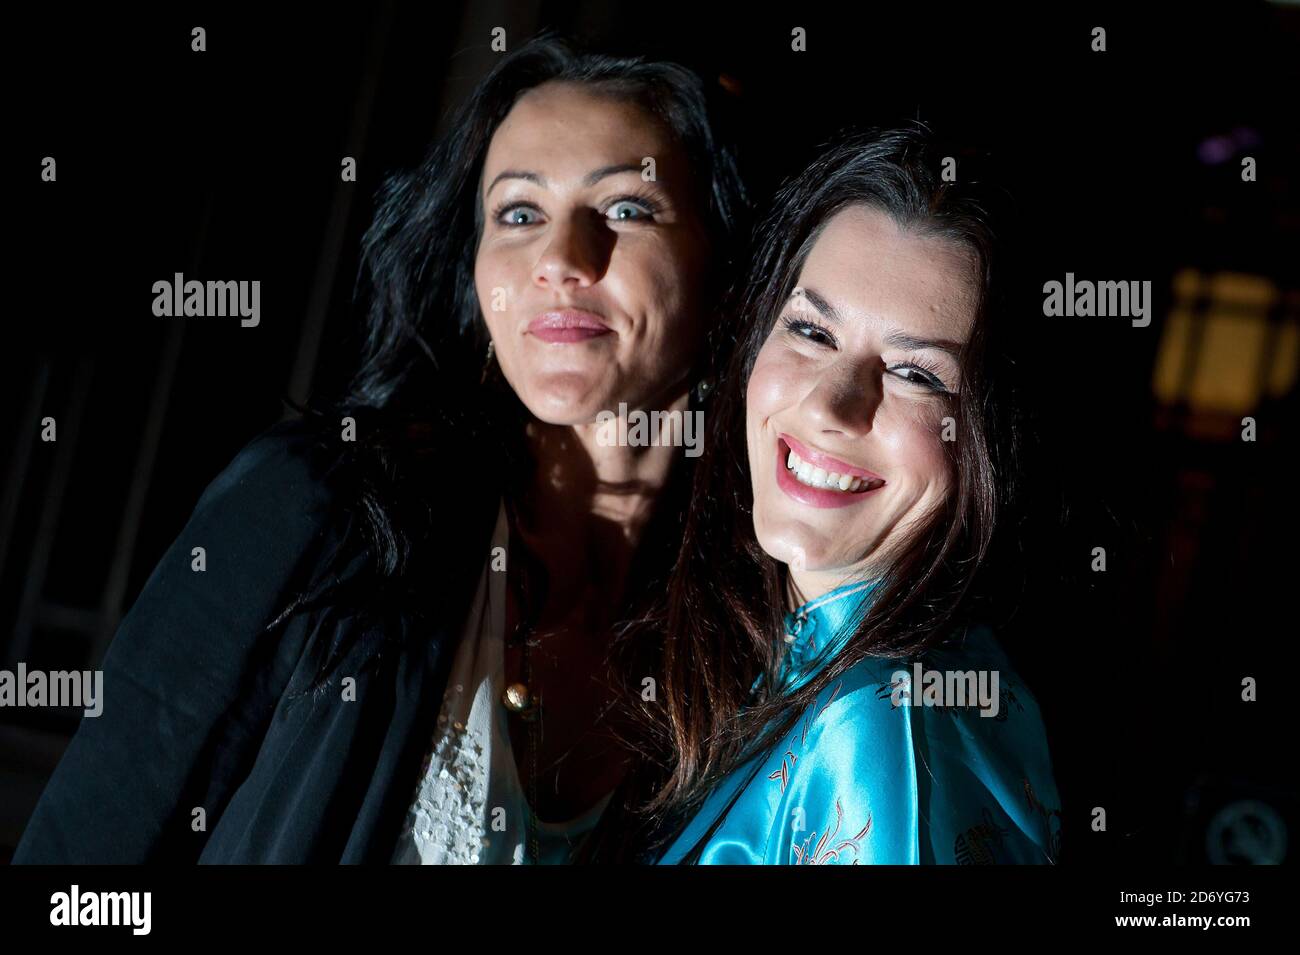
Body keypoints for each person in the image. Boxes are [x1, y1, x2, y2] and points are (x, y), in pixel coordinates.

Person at [13, 33, 747, 864]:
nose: (559, 261)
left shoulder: (735, 644)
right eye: (518, 213)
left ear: (726, 274)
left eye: (625, 208)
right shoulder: (320, 507)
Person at [587, 125, 1061, 864]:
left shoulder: (880, 731)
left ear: (993, 440)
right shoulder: (814, 652)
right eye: (810, 329)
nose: (831, 406)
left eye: (917, 374)